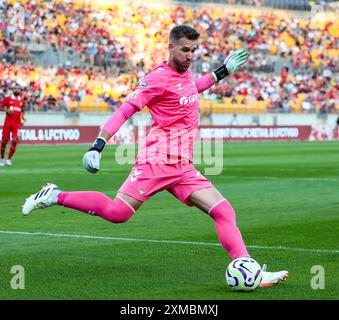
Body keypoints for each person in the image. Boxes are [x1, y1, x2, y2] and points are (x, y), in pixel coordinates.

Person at [22, 25, 288, 287]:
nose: (190, 56)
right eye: (185, 50)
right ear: (171, 47)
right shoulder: (157, 78)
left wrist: (222, 72)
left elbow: (189, 89)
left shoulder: (185, 73)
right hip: (157, 161)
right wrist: (98, 144)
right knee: (117, 213)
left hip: (182, 166)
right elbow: (126, 110)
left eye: (194, 50)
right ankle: (54, 195)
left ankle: (248, 269)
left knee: (224, 211)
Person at [0, 84, 25, 166]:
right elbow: (0, 107)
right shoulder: (8, 99)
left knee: (15, 140)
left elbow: (22, 111)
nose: (17, 90)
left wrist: (23, 118)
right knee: (4, 142)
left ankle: (9, 159)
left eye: (18, 89)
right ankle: (1, 158)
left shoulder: (22, 101)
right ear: (12, 90)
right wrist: (7, 110)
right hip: (7, 124)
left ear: (20, 91)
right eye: (15, 89)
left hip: (16, 125)